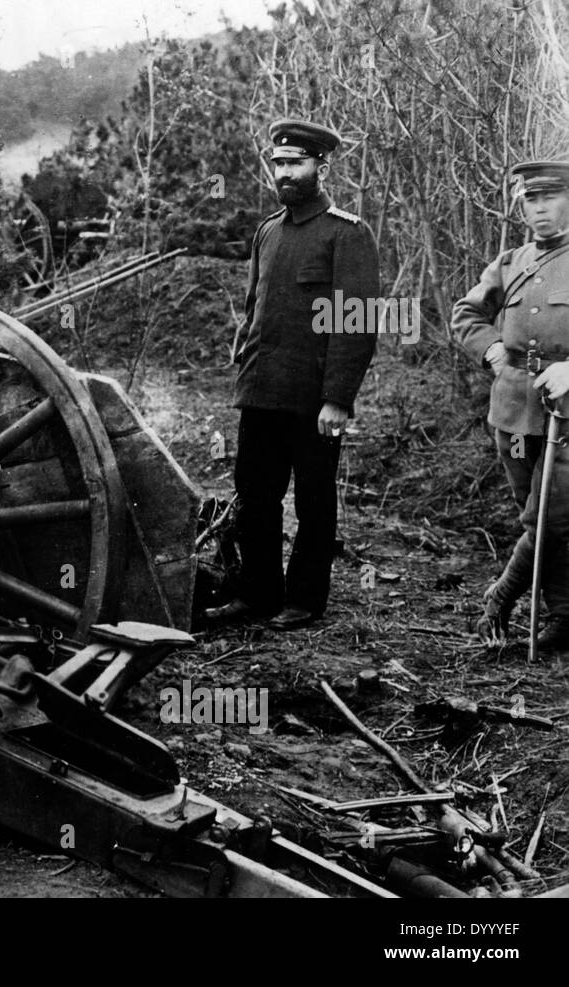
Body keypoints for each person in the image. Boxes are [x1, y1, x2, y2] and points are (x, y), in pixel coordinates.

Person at [206, 119, 379, 631]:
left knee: (313, 502)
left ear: (320, 167)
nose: (285, 173)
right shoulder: (267, 231)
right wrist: (244, 363)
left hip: (313, 400)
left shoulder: (346, 233)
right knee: (255, 497)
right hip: (260, 393)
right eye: (279, 164)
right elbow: (254, 307)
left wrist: (338, 399)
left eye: (296, 164)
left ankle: (304, 601)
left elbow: (357, 324)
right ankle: (259, 594)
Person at [453, 160, 569, 653]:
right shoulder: (511, 261)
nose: (539, 209)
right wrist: (488, 348)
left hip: (566, 412)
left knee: (551, 516)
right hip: (515, 413)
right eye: (530, 200)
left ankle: (500, 598)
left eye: (549, 198)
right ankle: (564, 614)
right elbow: (466, 311)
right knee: (534, 510)